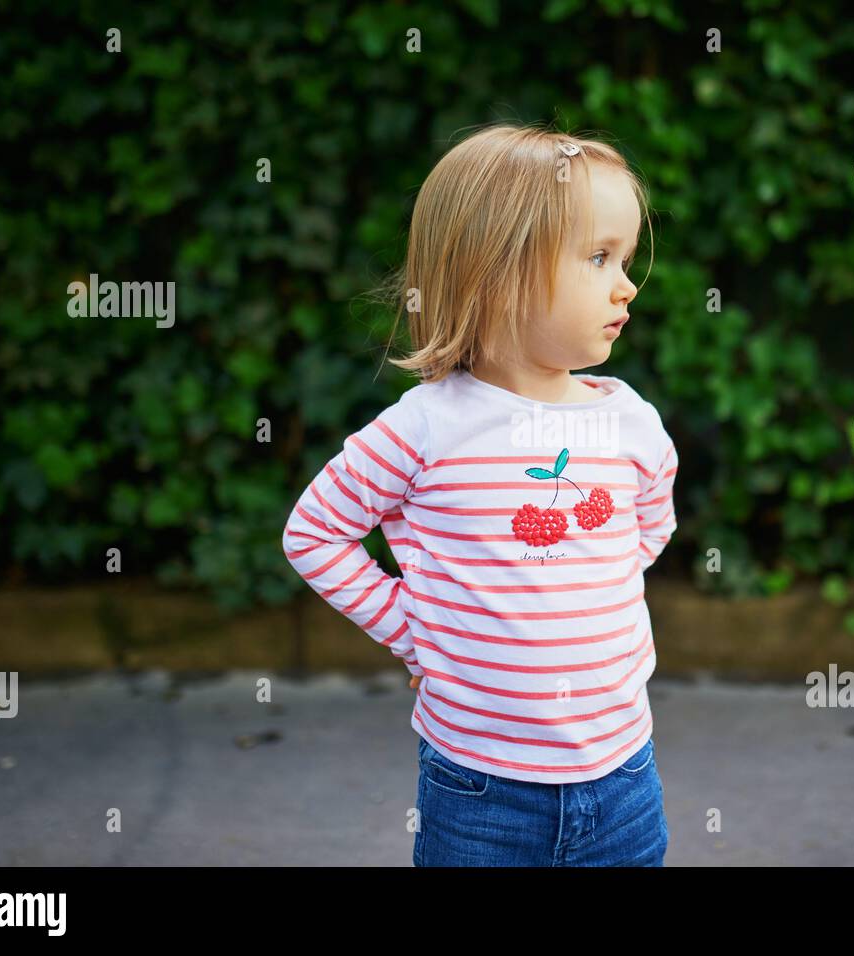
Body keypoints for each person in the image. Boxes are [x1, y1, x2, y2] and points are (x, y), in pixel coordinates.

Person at [282, 124, 678, 866]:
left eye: (624, 259)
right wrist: (414, 626)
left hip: (624, 775)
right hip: (479, 790)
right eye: (598, 258)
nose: (627, 284)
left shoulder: (630, 422)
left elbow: (648, 521)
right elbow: (313, 534)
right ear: (497, 275)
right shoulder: (428, 427)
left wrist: (585, 584)